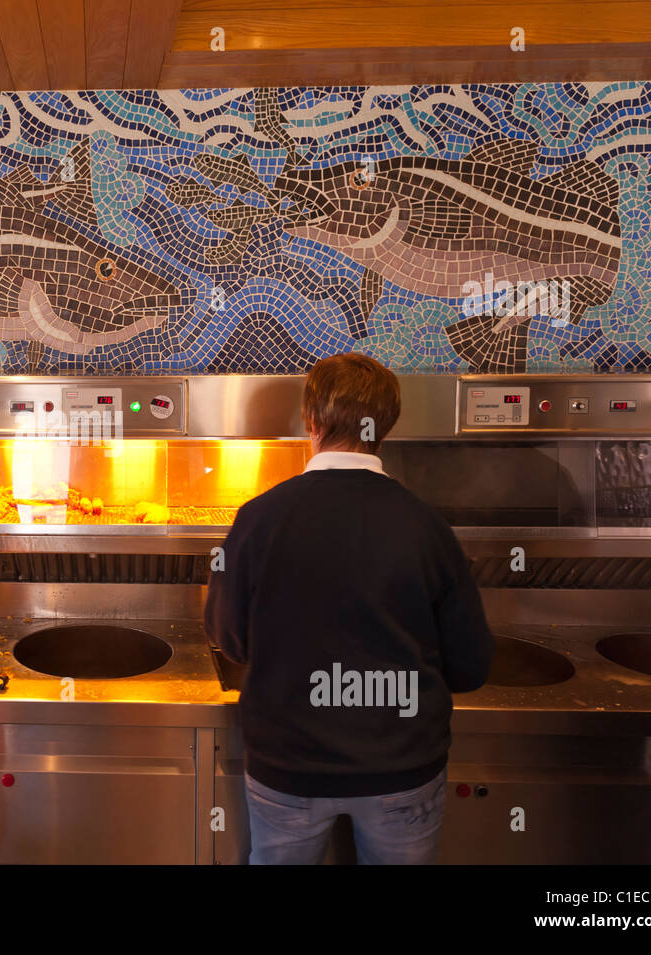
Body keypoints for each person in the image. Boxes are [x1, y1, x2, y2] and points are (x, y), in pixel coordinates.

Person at [204, 353, 493, 864]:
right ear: (385, 428)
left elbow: (229, 639)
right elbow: (470, 666)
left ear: (311, 421)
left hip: (287, 767)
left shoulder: (258, 519)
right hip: (401, 770)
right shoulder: (428, 528)